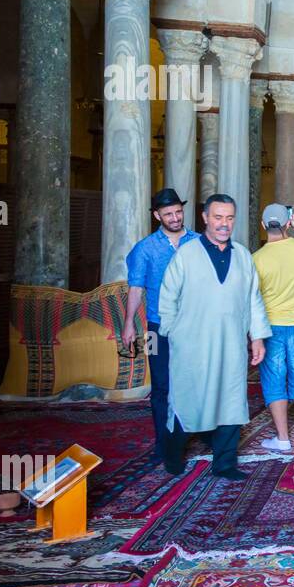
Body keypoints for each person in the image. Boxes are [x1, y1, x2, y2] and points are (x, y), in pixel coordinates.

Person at [157, 194, 271, 480]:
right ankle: (172, 458)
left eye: (230, 218)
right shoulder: (187, 253)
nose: (224, 224)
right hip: (192, 345)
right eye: (218, 217)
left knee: (231, 401)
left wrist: (257, 337)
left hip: (231, 343)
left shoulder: (243, 255)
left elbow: (253, 300)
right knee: (187, 400)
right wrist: (173, 333)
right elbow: (167, 297)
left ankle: (225, 464)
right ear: (205, 218)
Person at [122, 188, 201, 464]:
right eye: (169, 214)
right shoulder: (145, 248)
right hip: (156, 327)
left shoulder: (200, 242)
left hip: (193, 326)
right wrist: (129, 323)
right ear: (157, 215)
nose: (176, 217)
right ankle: (163, 441)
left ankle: (188, 433)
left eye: (179, 212)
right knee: (161, 385)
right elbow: (136, 288)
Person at [253, 204, 294, 452]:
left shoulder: (257, 259)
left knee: (274, 379)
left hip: (271, 327)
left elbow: (253, 298)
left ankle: (282, 438)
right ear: (287, 224)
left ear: (263, 225)